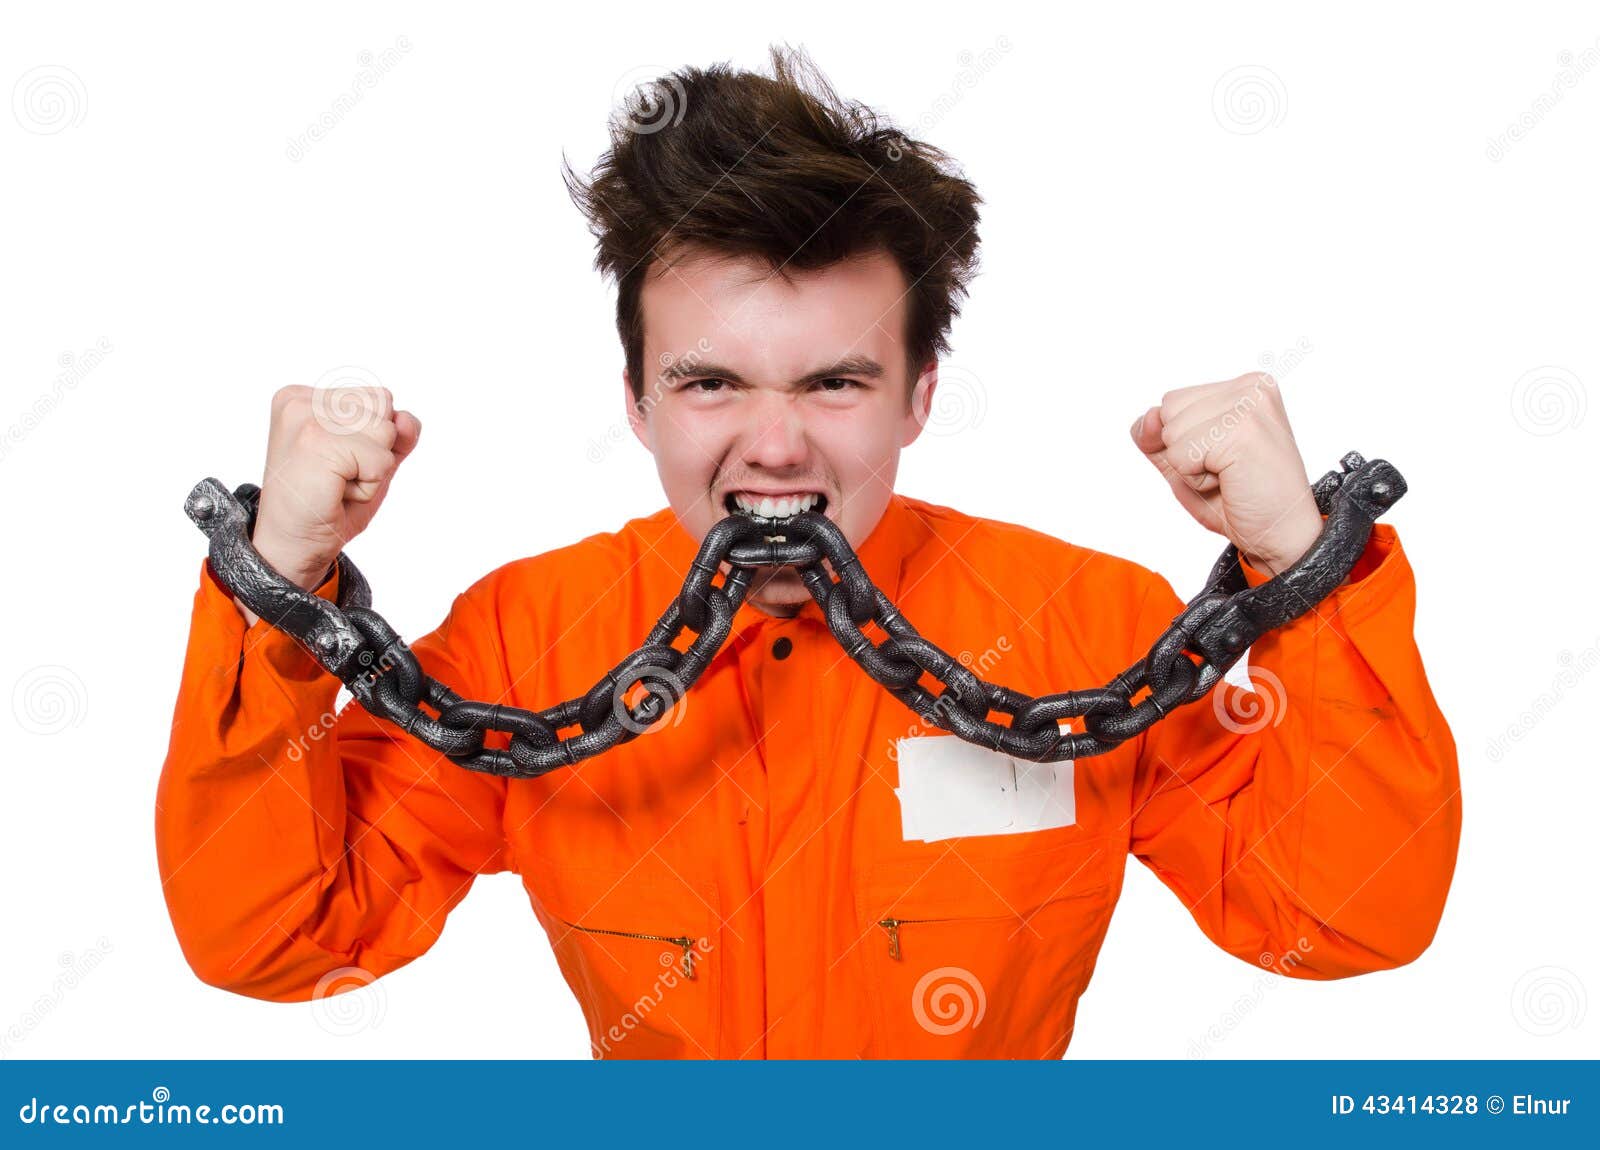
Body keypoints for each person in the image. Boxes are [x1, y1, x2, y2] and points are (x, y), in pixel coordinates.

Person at [155, 46, 1461, 1059]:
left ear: (918, 397)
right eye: (711, 382)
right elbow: (278, 938)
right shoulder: (524, 640)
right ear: (638, 402)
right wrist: (282, 582)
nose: (775, 446)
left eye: (834, 381)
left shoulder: (1088, 624)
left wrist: (1300, 565)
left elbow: (1343, 919)